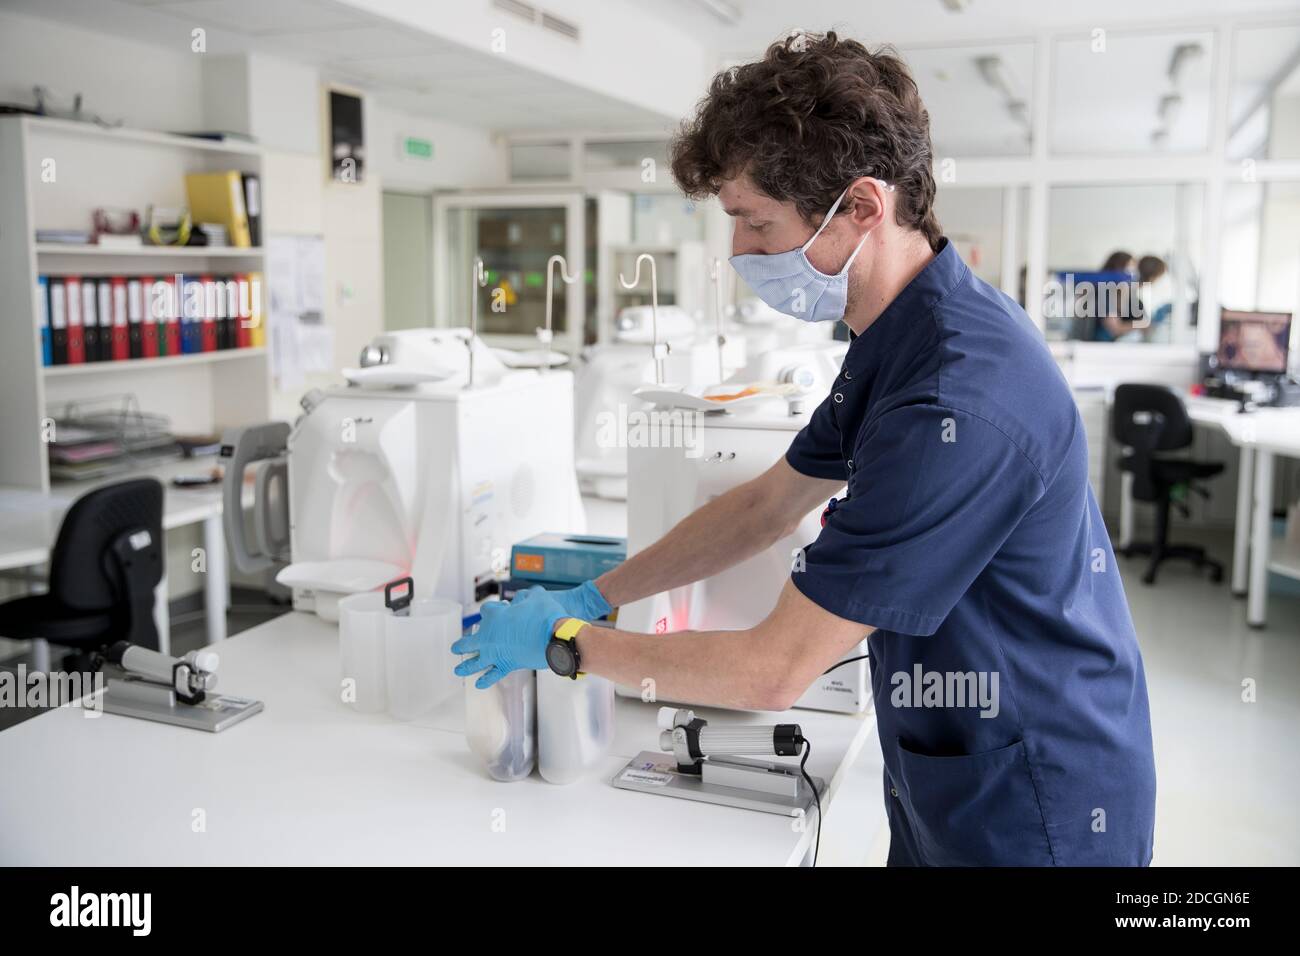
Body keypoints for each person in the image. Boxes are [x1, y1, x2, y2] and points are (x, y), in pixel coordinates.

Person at [453, 32, 1156, 867]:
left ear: (862, 206)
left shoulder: (959, 397)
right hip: (954, 765)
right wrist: (599, 591)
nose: (738, 253)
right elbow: (767, 503)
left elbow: (772, 670)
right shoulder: (896, 336)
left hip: (1037, 803)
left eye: (756, 223)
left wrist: (567, 645)